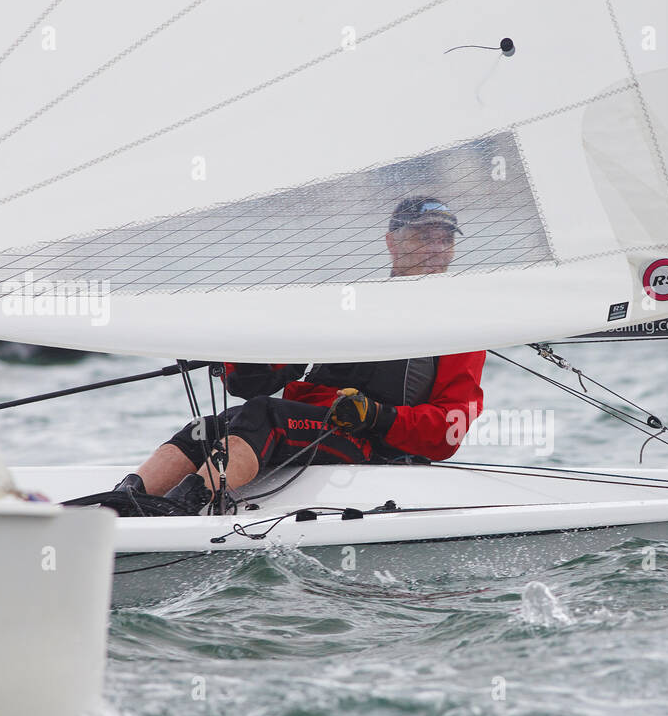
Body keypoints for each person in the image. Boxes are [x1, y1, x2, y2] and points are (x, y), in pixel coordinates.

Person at [115, 196, 485, 515]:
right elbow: (249, 383)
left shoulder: (459, 330)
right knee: (209, 428)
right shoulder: (354, 306)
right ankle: (121, 504)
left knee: (263, 414)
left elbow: (448, 433)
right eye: (423, 237)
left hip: (378, 446)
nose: (436, 248)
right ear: (392, 242)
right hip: (312, 430)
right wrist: (243, 354)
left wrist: (377, 416)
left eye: (445, 239)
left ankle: (184, 507)